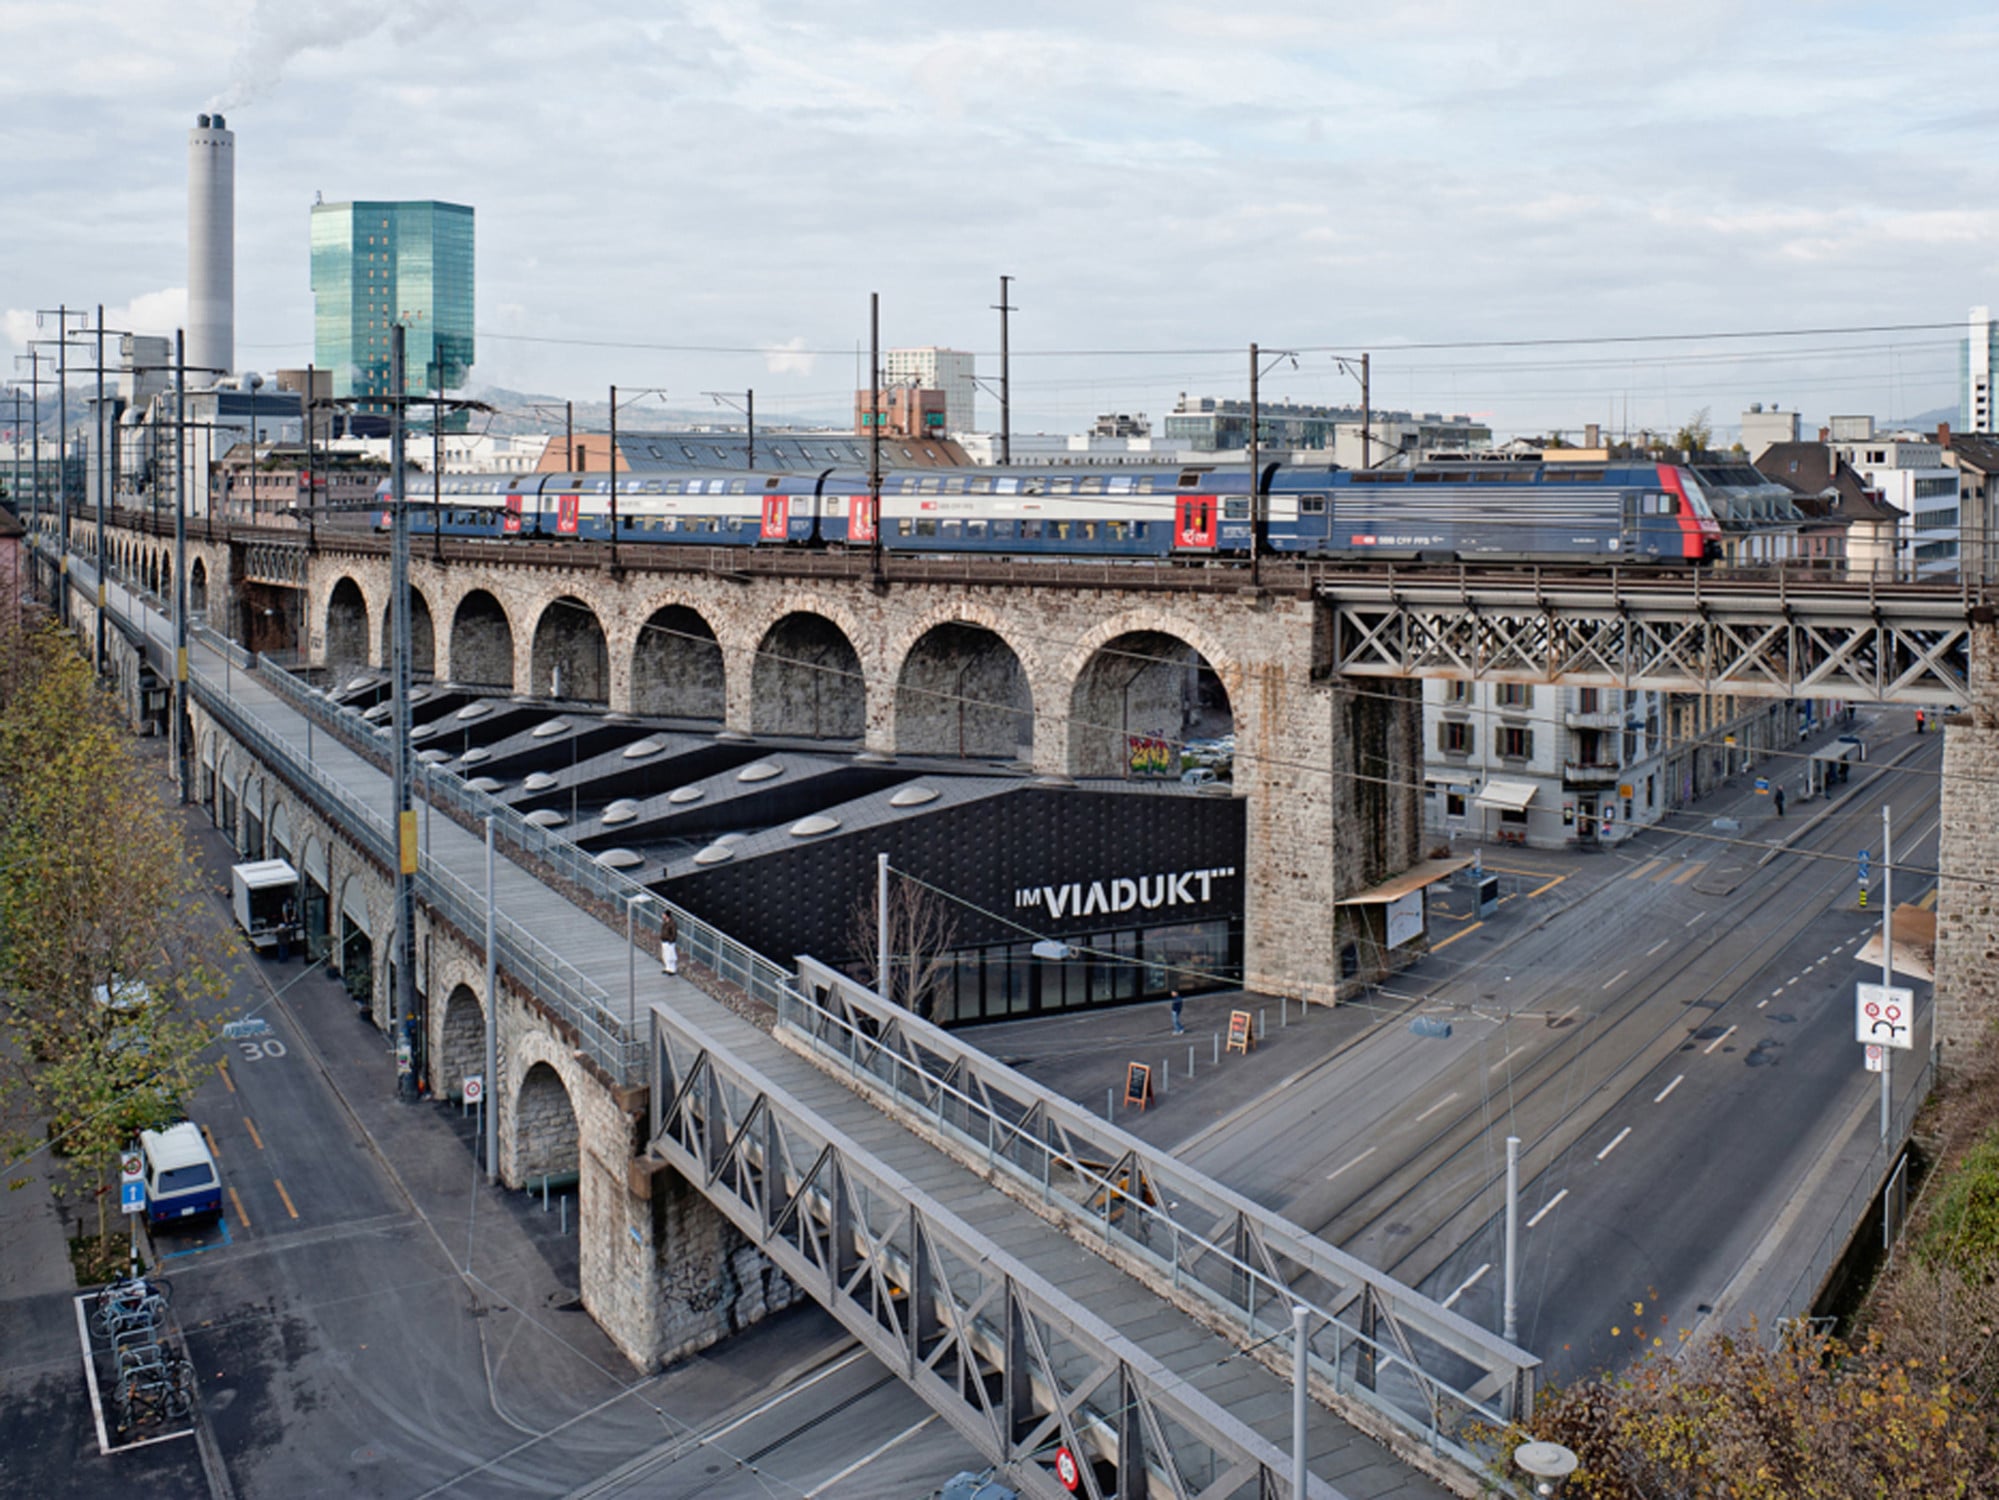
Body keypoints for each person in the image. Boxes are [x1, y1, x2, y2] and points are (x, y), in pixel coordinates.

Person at [659, 908, 679, 976]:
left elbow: (674, 933)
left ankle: (672, 969)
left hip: (669, 942)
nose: (662, 915)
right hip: (664, 941)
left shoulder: (672, 923)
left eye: (663, 914)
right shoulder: (665, 922)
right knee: (665, 955)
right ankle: (667, 968)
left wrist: (671, 940)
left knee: (671, 955)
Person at [277, 896, 297, 962]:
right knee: (283, 949)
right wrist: (286, 919)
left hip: (283, 941)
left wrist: (293, 916)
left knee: (294, 925)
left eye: (290, 901)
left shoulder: (293, 904)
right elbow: (284, 913)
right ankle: (282, 959)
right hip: (284, 940)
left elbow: (294, 911)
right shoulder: (285, 905)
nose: (290, 902)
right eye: (289, 901)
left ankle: (294, 935)